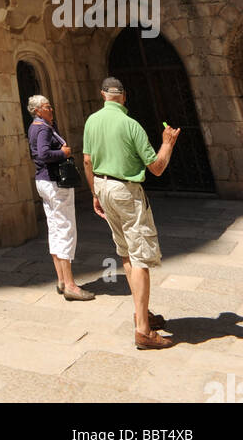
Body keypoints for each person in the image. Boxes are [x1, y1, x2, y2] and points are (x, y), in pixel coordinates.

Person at [82, 76, 180, 350]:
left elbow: (87, 160)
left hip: (102, 186)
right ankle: (143, 331)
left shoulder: (91, 121)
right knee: (140, 258)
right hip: (126, 191)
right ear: (124, 97)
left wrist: (94, 194)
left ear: (103, 95)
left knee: (125, 251)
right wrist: (168, 142)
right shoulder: (131, 125)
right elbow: (157, 167)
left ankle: (142, 311)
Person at [26, 95, 95, 301]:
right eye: (47, 107)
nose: (51, 109)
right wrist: (64, 153)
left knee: (55, 228)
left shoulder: (35, 127)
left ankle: (62, 280)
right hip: (55, 182)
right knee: (65, 228)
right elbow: (44, 154)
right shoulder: (44, 129)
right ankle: (71, 285)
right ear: (38, 110)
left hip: (44, 182)